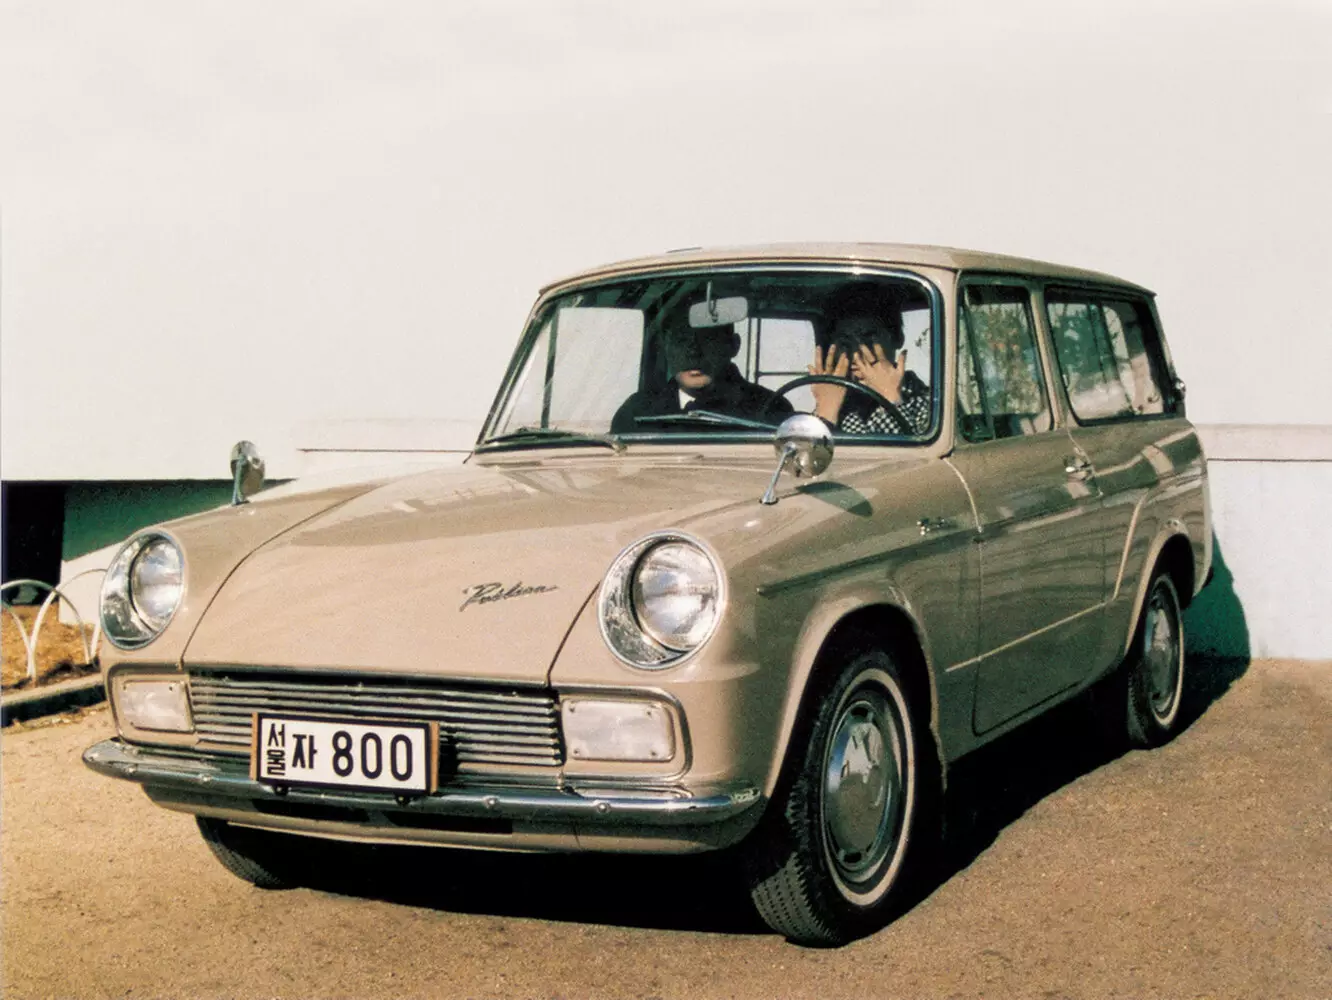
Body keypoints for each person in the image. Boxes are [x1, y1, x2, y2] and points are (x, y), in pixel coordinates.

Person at [611, 318, 793, 433]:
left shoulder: (769, 407)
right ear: (665, 348)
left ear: (734, 345)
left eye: (708, 338)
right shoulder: (636, 411)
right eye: (682, 340)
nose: (693, 352)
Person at [807, 301, 932, 435]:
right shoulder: (836, 397)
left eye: (869, 339)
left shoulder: (927, 402)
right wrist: (826, 411)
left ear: (897, 338)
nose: (855, 354)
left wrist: (892, 399)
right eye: (845, 342)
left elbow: (912, 454)